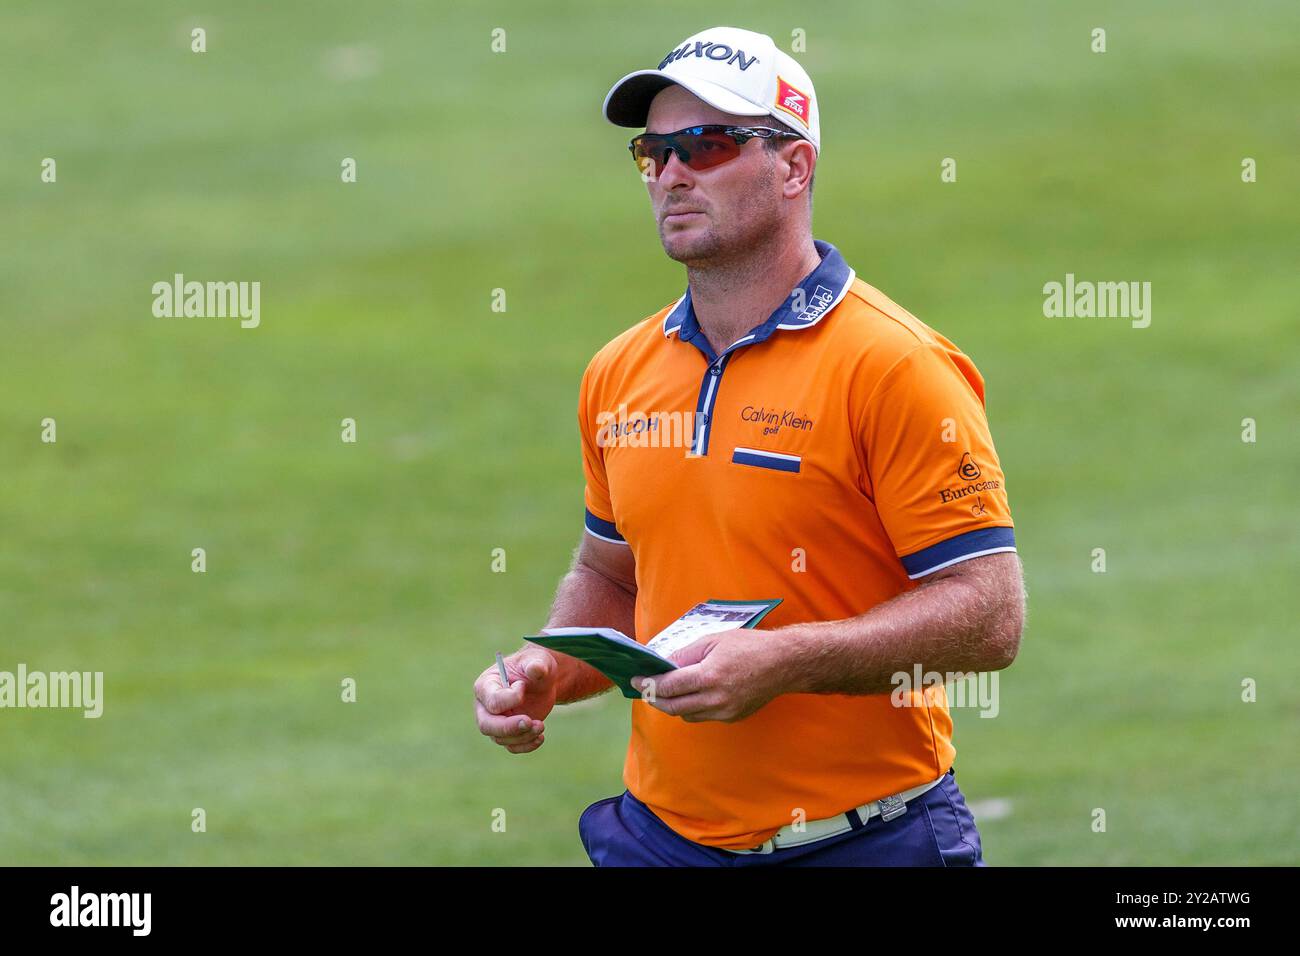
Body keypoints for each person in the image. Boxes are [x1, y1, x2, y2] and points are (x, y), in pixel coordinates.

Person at [473, 26, 1025, 866]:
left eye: (710, 143)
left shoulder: (895, 366)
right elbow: (612, 575)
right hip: (661, 840)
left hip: (867, 841)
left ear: (794, 167)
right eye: (654, 152)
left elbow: (989, 616)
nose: (673, 173)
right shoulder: (617, 372)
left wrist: (786, 662)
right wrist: (549, 666)